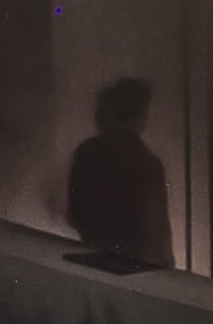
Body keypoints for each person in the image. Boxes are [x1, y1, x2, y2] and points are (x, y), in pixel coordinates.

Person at [63, 76, 170, 268]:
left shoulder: (87, 151)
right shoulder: (148, 164)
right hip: (136, 267)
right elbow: (157, 231)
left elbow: (74, 213)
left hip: (92, 258)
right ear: (142, 115)